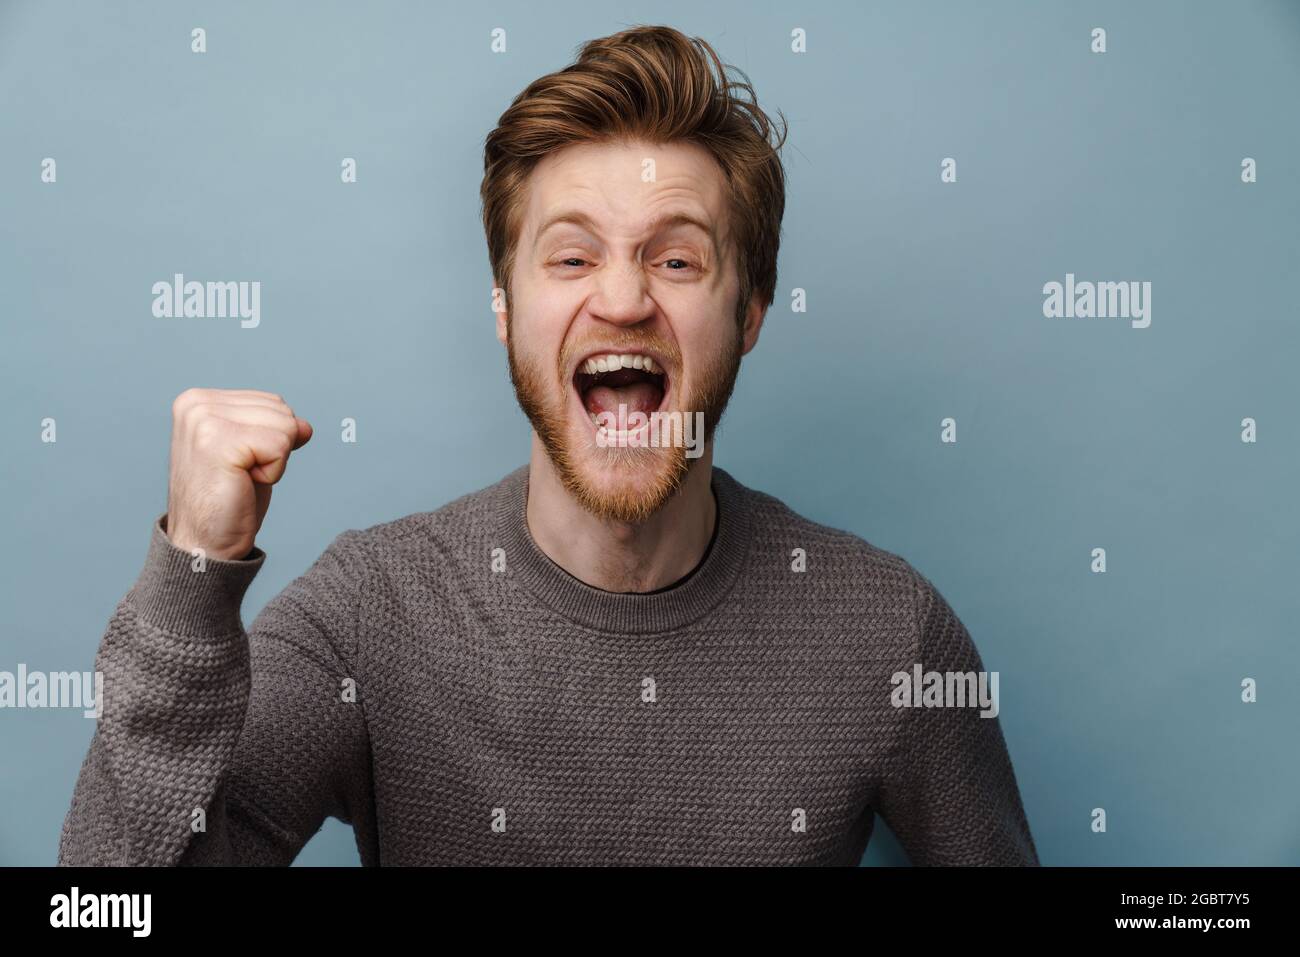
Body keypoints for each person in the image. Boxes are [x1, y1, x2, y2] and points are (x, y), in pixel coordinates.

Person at [59, 25, 1037, 866]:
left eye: (677, 259)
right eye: (571, 257)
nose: (620, 299)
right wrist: (193, 579)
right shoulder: (369, 615)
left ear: (747, 314)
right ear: (505, 310)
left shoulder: (884, 632)